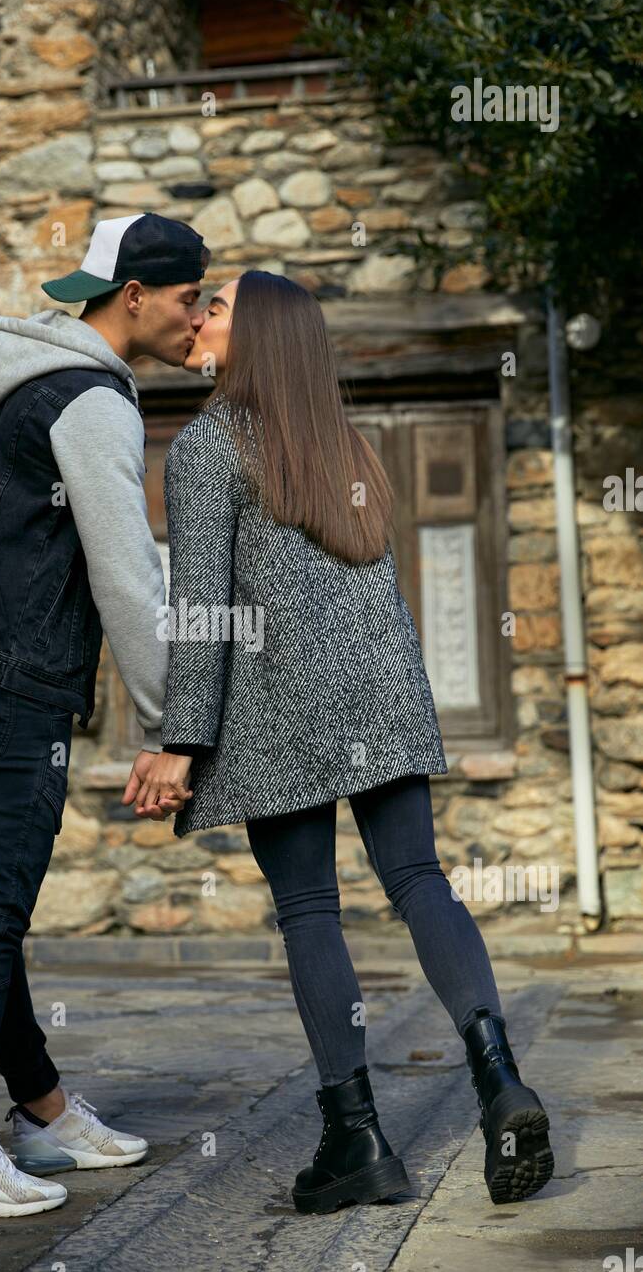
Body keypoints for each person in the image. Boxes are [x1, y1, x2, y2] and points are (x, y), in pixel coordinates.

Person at [133, 270, 555, 1216]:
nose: (198, 316)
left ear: (267, 335)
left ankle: (356, 1140)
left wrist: (180, 742)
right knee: (421, 883)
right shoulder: (348, 444)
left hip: (284, 705)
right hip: (386, 694)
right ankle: (500, 1086)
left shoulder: (207, 447)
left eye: (219, 307)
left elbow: (200, 610)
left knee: (310, 911)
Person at [0, 213, 210, 1218]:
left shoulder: (7, 373)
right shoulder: (91, 400)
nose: (199, 316)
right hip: (13, 679)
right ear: (132, 297)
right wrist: (168, 722)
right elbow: (128, 572)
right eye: (187, 297)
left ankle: (40, 1107)